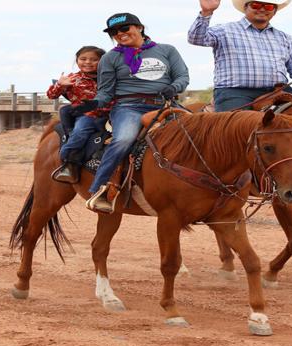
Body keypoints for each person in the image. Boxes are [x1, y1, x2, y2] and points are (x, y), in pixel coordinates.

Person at [87, 12, 191, 212]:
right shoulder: (111, 58)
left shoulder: (167, 50)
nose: (120, 34)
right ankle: (99, 189)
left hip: (164, 104)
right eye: (114, 32)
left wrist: (174, 87)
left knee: (200, 131)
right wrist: (89, 104)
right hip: (129, 107)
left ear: (140, 28)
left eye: (125, 28)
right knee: (124, 139)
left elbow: (182, 75)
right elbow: (106, 92)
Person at [188, 0, 292, 112]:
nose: (262, 9)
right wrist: (206, 12)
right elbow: (196, 39)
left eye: (268, 6)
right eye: (256, 5)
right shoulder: (225, 30)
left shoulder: (284, 37)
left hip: (277, 91)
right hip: (235, 92)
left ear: (274, 11)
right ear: (246, 7)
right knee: (236, 128)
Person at [47, 46, 108, 183]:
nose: (88, 62)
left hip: (109, 113)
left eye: (94, 59)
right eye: (83, 59)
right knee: (81, 132)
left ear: (102, 61)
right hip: (87, 115)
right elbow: (51, 95)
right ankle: (69, 161)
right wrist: (60, 85)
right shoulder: (73, 78)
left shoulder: (107, 77)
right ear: (77, 60)